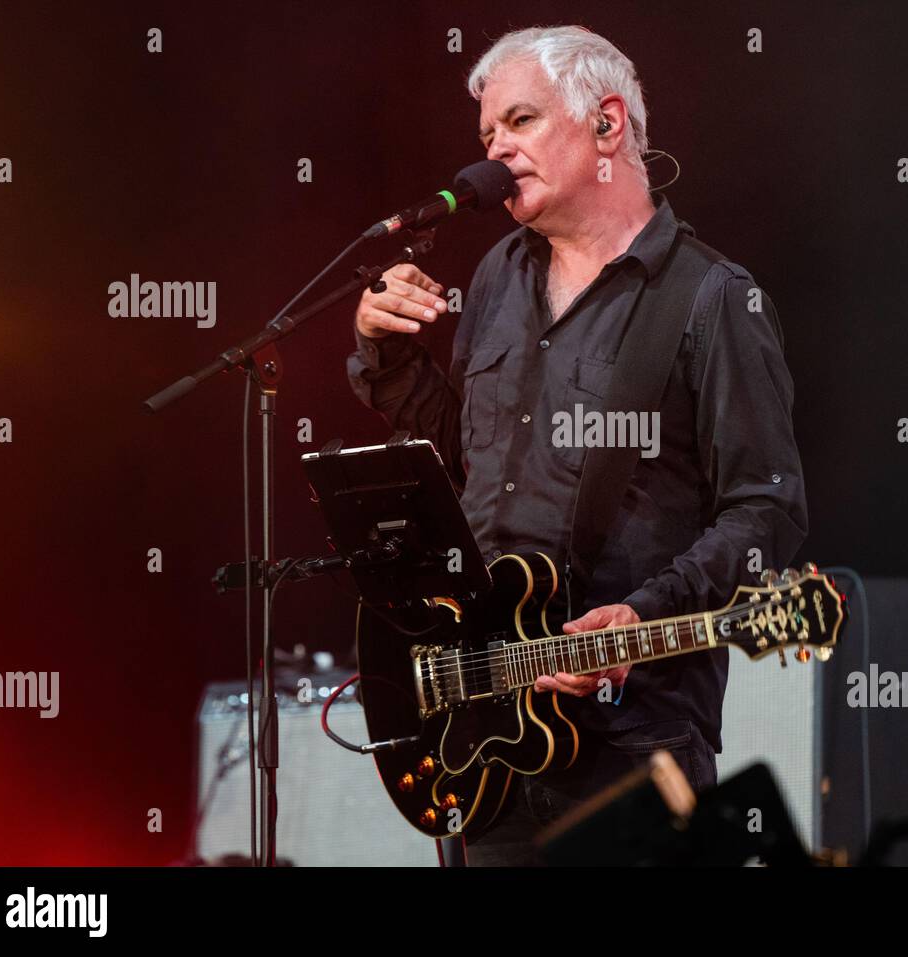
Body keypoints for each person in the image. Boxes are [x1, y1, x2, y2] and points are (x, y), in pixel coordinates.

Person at [347, 25, 806, 865]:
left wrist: (646, 611)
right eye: (488, 134)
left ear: (606, 124)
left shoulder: (710, 299)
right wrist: (388, 355)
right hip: (484, 735)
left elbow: (767, 508)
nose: (494, 152)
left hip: (634, 746)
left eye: (519, 121)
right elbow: (459, 464)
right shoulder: (496, 279)